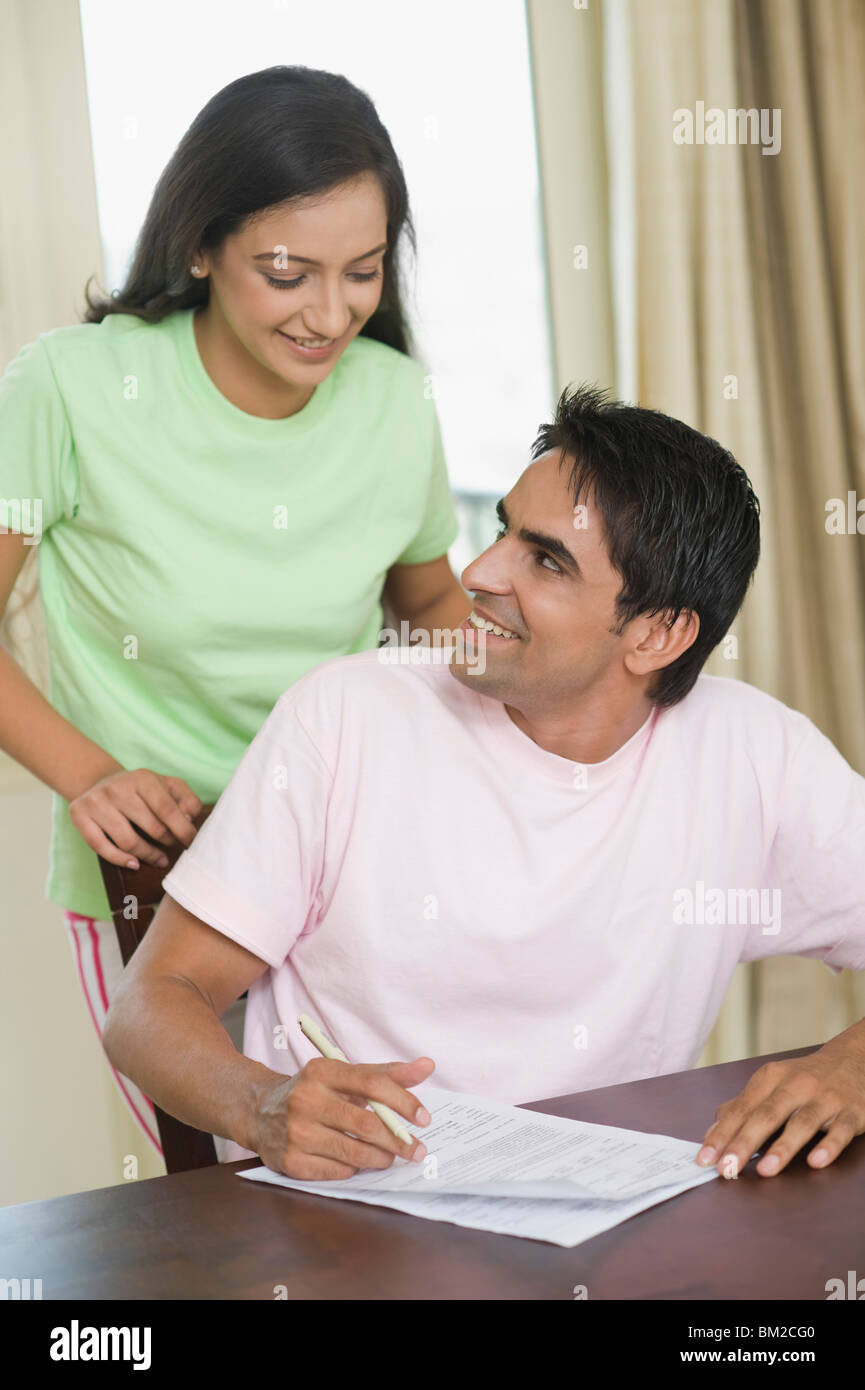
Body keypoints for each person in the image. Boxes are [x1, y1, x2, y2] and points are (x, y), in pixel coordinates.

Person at [102, 384, 865, 1184]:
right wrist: (260, 1103)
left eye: (545, 560)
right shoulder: (346, 716)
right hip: (351, 1226)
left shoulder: (752, 752)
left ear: (657, 633)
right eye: (503, 529)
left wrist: (849, 1064)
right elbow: (149, 1004)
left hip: (614, 1218)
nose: (477, 570)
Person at [0, 66, 469, 1157]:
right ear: (200, 244)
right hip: (159, 876)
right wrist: (89, 774)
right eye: (286, 272)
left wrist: (540, 644)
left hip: (349, 856)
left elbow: (426, 602)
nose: (329, 312)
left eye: (361, 272)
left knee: (389, 1170)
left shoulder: (394, 397)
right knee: (233, 1187)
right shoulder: (68, 388)